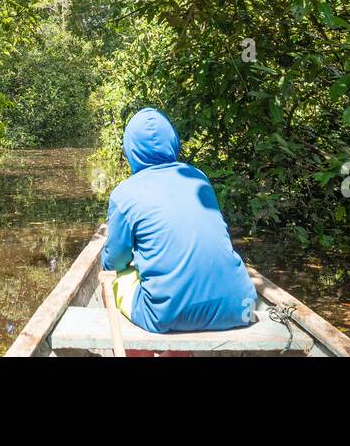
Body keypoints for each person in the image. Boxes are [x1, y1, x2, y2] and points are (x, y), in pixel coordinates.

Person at [101, 107, 257, 333]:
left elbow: (115, 261)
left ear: (130, 150)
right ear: (174, 142)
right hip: (243, 307)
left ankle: (149, 349)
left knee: (112, 279)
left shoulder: (124, 194)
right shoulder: (198, 176)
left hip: (166, 316)